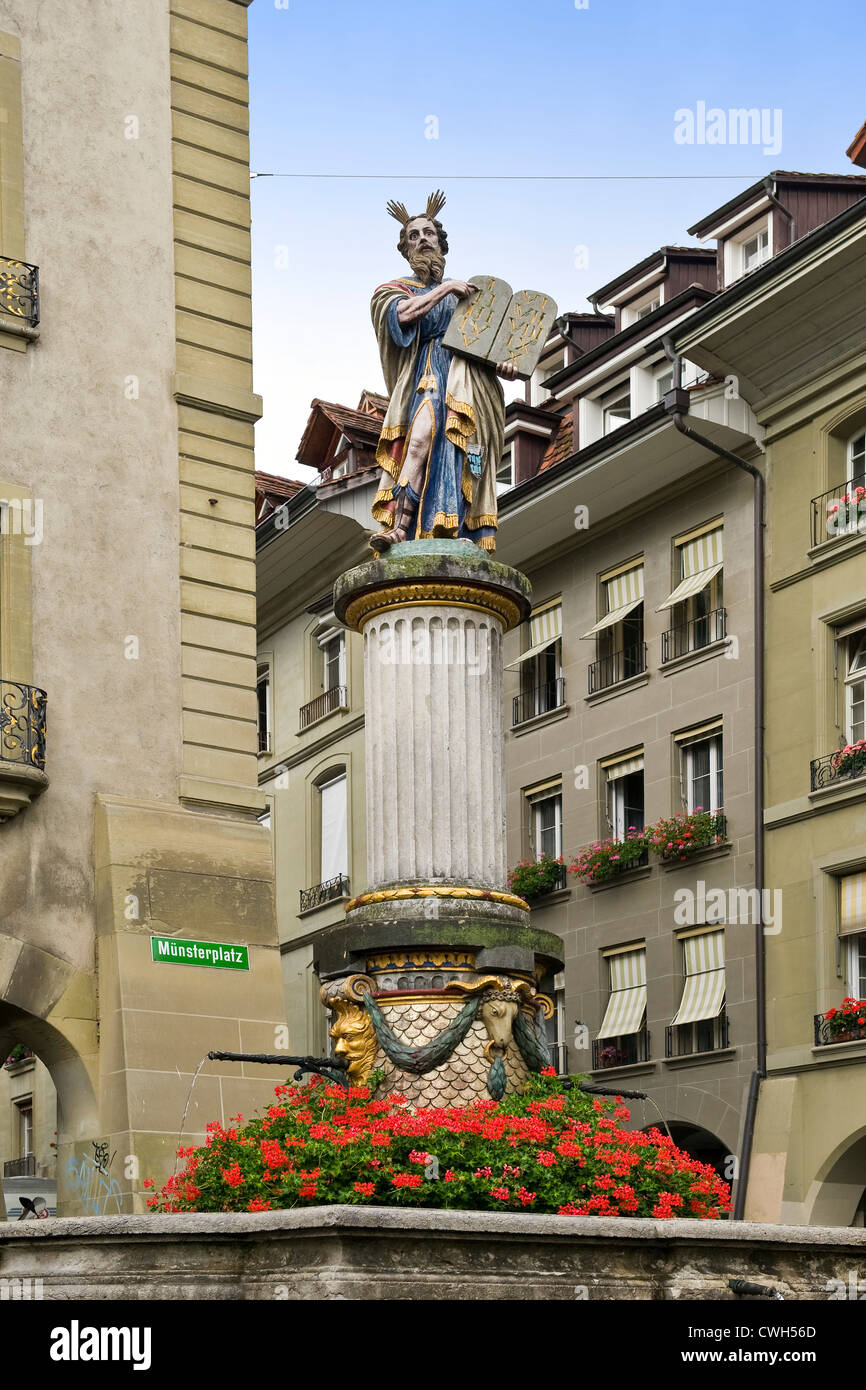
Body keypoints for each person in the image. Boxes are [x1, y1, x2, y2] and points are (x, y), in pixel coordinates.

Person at [369, 191, 517, 553]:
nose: (422, 240)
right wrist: (447, 287)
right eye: (414, 236)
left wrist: (506, 363)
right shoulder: (394, 290)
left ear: (441, 243)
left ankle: (460, 529)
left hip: (470, 382)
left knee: (468, 454)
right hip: (427, 372)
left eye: (429, 233)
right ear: (406, 249)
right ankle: (400, 528)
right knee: (418, 441)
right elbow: (403, 314)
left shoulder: (471, 296)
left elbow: (487, 345)